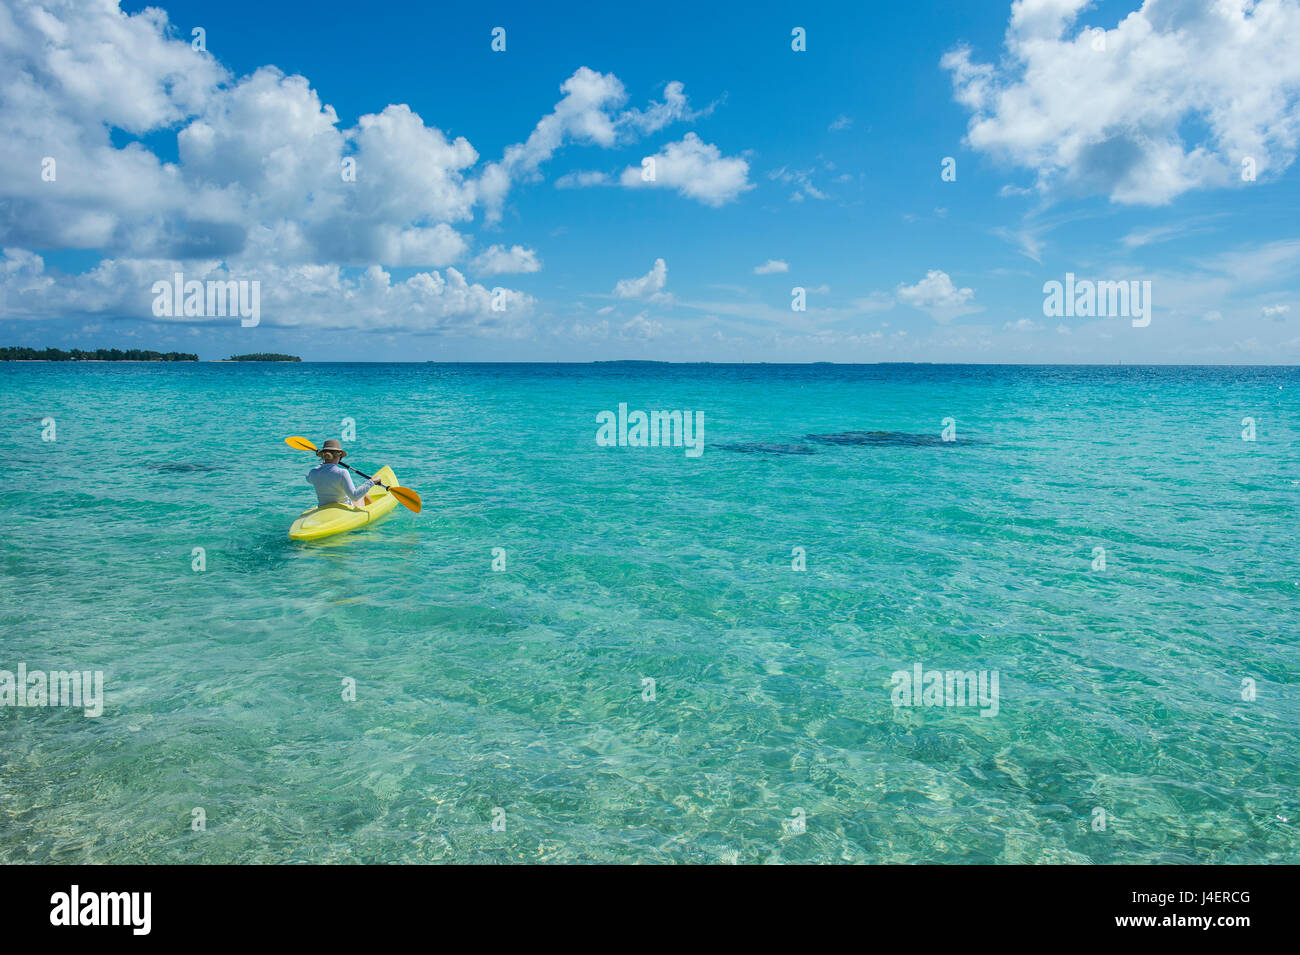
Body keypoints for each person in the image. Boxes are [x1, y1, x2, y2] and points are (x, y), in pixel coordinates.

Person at [307, 439, 375, 507]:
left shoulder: (313, 472)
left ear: (323, 456)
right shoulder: (342, 472)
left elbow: (309, 479)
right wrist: (372, 482)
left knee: (360, 489)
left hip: (323, 507)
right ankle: (373, 510)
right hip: (344, 509)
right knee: (363, 493)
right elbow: (354, 496)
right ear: (339, 456)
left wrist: (323, 463)